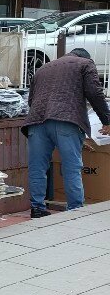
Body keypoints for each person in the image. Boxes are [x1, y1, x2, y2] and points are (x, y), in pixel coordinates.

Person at [25, 48, 110, 217]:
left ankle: (37, 209)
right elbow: (95, 92)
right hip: (67, 121)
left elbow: (31, 99)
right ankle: (75, 211)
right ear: (86, 57)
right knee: (71, 167)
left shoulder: (43, 68)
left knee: (37, 168)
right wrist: (107, 120)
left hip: (36, 121)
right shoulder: (85, 64)